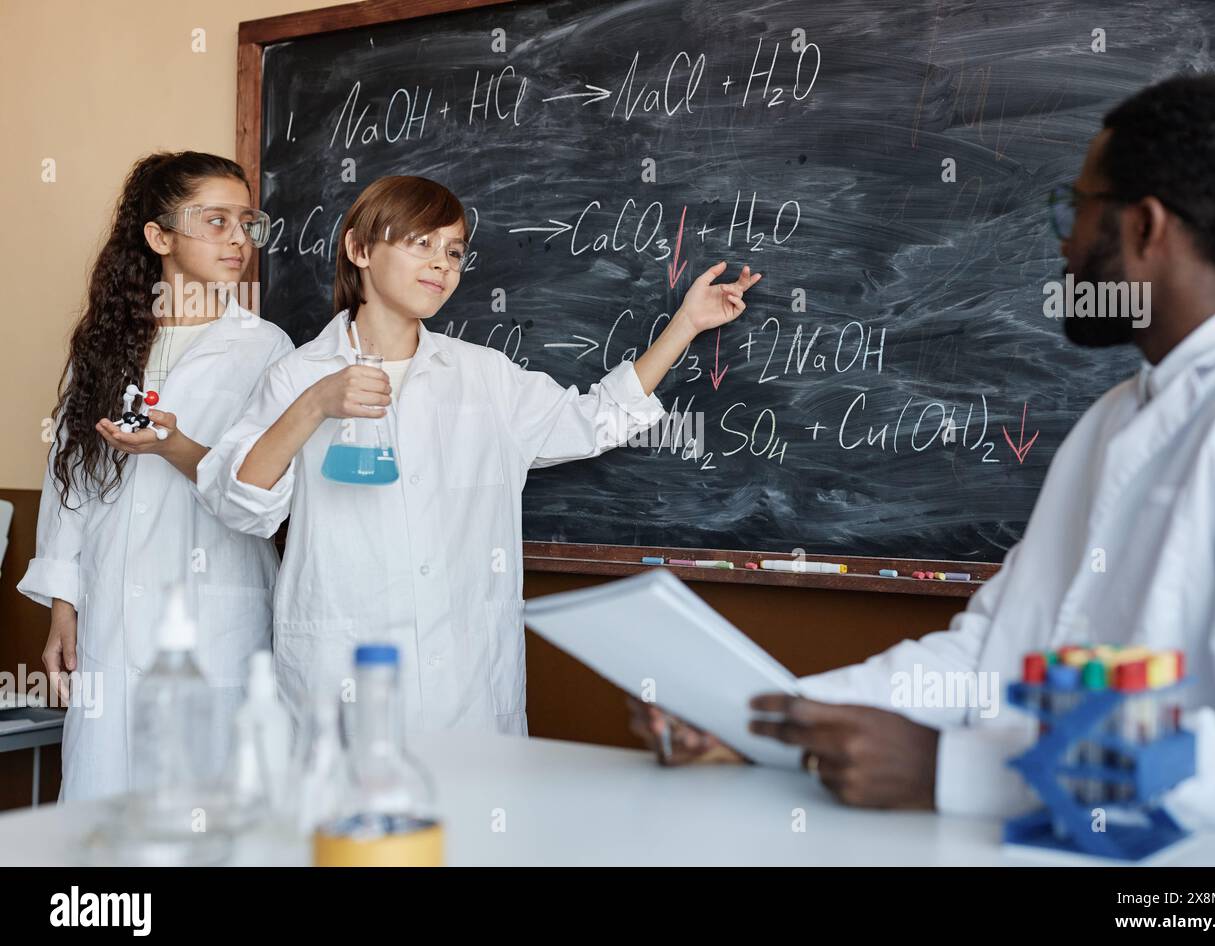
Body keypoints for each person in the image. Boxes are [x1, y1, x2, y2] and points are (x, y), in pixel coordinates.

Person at [629, 73, 1215, 831]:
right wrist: (770, 721)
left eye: (1075, 209)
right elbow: (992, 656)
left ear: (1146, 228)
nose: (1064, 240)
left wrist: (954, 771)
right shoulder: (1118, 417)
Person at [200, 174, 761, 740]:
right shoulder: (297, 375)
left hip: (466, 683)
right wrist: (313, 406)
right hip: (342, 678)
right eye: (420, 242)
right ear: (359, 249)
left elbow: (596, 420)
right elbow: (240, 504)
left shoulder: (483, 376)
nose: (442, 263)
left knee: (475, 817)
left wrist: (686, 325)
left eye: (454, 251)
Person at [19, 151, 293, 800]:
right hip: (110, 609)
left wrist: (175, 447)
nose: (238, 240)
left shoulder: (265, 350)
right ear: (159, 237)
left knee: (209, 807)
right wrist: (64, 608)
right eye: (216, 221)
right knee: (105, 806)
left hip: (218, 613)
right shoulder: (108, 345)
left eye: (246, 222)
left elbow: (263, 495)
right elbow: (71, 482)